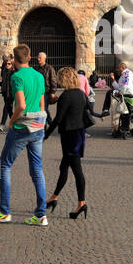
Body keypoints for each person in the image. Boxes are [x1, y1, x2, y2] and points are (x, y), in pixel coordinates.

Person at [0, 44, 47, 225]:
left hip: (21, 128)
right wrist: (40, 122)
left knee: (4, 165)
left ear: (14, 59)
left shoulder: (17, 77)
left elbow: (20, 105)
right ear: (29, 57)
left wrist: (11, 122)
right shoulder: (39, 76)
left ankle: (4, 211)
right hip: (38, 126)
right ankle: (41, 214)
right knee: (37, 170)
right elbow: (42, 104)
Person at [45, 67, 90, 219]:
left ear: (64, 79)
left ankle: (81, 203)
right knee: (63, 167)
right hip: (79, 134)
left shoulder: (66, 96)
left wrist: (46, 134)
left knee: (77, 171)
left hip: (70, 136)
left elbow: (58, 119)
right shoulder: (81, 94)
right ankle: (54, 197)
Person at [0, 56, 14, 131]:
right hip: (5, 92)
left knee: (6, 108)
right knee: (9, 109)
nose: (7, 65)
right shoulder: (3, 71)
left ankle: (2, 124)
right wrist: (0, 84)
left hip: (11, 93)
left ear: (12, 65)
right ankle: (15, 123)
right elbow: (4, 82)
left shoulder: (14, 73)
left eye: (9, 64)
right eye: (6, 64)